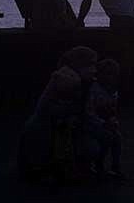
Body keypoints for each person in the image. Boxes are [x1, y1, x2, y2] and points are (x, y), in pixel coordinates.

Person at [18, 46, 99, 181]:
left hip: (50, 127)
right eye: (91, 65)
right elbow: (66, 110)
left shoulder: (71, 79)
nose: (94, 70)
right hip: (49, 129)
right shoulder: (70, 81)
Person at [84, 58, 124, 177]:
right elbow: (88, 112)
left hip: (104, 122)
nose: (111, 77)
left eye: (113, 74)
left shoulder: (113, 91)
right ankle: (98, 165)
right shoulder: (93, 90)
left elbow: (112, 110)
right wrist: (103, 123)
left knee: (117, 139)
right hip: (91, 124)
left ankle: (115, 166)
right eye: (108, 73)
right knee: (107, 138)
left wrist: (112, 121)